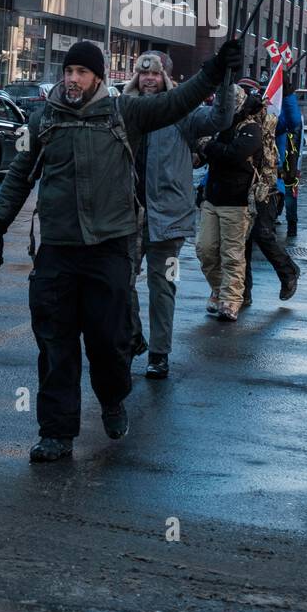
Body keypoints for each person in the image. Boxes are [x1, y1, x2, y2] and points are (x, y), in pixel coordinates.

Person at [0, 37, 242, 463]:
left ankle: (113, 399)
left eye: (81, 72)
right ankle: (56, 433)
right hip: (58, 251)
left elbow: (177, 103)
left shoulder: (125, 112)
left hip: (110, 248)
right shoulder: (44, 118)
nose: (72, 79)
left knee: (109, 342)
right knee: (55, 345)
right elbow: (20, 175)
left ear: (98, 77)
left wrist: (213, 71)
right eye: (68, 72)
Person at [123, 50, 235, 380]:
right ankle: (131, 339)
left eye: (155, 74)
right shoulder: (122, 109)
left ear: (166, 78)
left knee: (163, 287)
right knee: (118, 285)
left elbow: (220, 120)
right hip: (124, 218)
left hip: (168, 220)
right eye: (143, 74)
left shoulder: (181, 112)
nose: (148, 79)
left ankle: (159, 354)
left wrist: (225, 78)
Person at [195, 85, 264, 322]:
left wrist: (209, 146)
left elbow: (233, 155)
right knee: (205, 250)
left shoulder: (251, 128)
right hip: (211, 199)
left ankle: (231, 300)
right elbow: (202, 154)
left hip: (237, 202)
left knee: (232, 254)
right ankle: (220, 289)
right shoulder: (217, 127)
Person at [242, 79, 300, 307]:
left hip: (266, 189)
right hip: (236, 188)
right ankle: (242, 292)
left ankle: (288, 272)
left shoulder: (269, 121)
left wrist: (288, 93)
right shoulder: (229, 121)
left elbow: (293, 121)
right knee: (239, 243)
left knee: (261, 234)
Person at [276, 70, 303, 237]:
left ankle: (292, 224)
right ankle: (274, 217)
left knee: (290, 195)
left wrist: (288, 93)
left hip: (291, 160)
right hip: (276, 161)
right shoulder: (272, 113)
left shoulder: (291, 117)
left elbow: (293, 122)